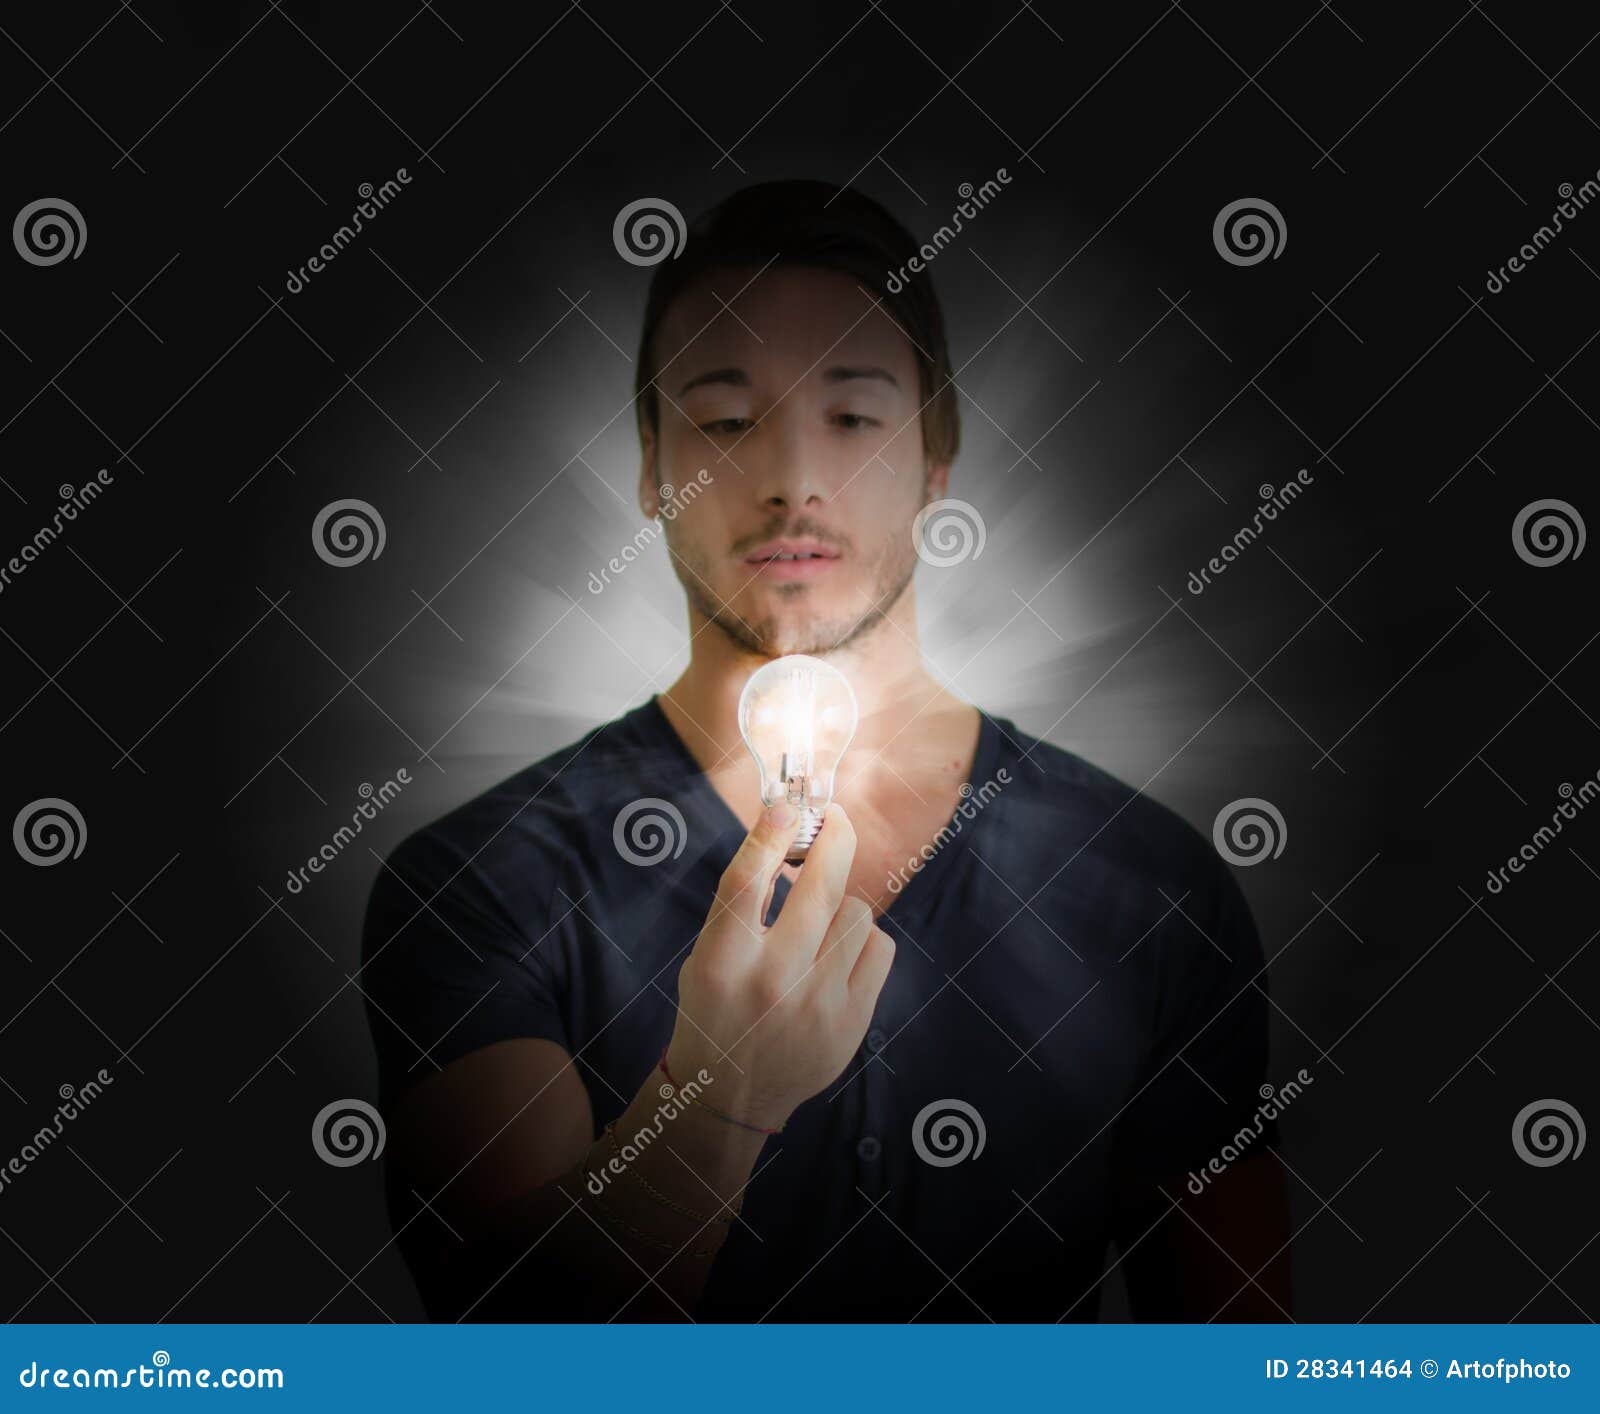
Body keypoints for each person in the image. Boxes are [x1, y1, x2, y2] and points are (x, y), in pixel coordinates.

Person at [360, 180, 1290, 1322]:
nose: (792, 479)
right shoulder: (478, 881)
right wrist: (721, 1098)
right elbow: (510, 1354)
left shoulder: (1149, 884)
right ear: (653, 469)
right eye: (722, 418)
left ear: (935, 458)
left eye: (852, 417)